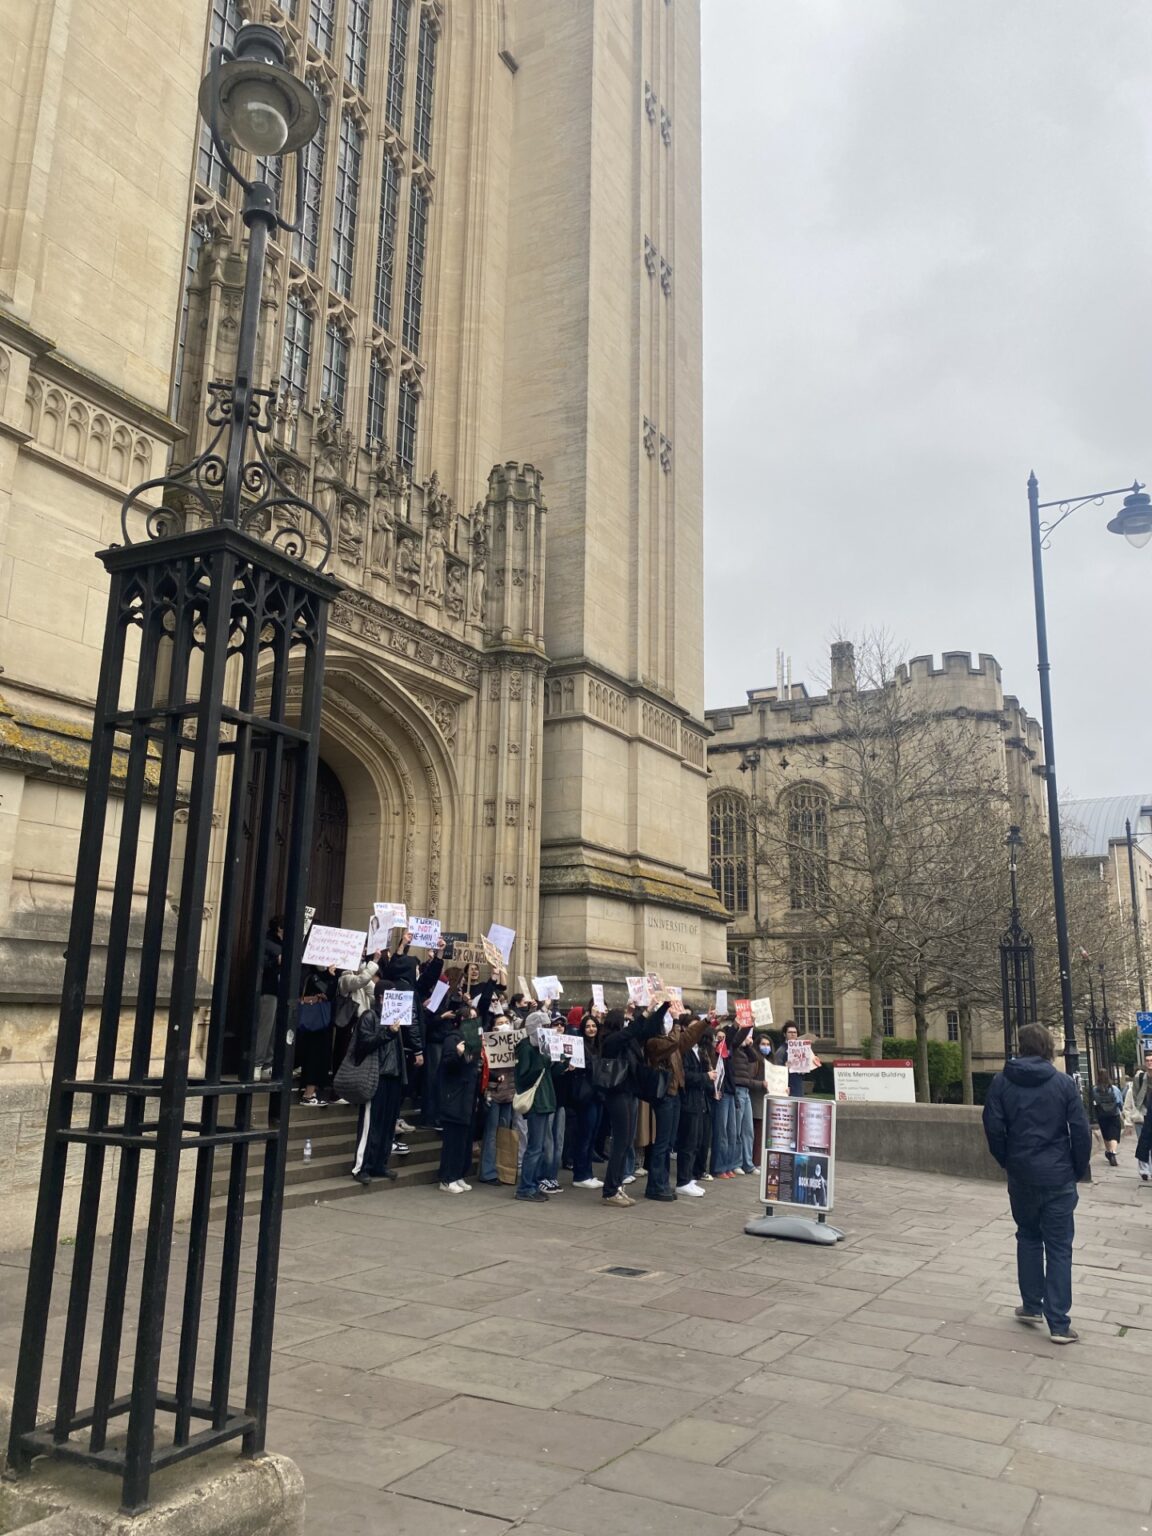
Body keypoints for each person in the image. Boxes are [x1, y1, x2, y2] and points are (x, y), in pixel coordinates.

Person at [982, 1022, 1092, 1344]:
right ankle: (1059, 1323)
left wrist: (1008, 1161)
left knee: (1028, 1236)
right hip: (1058, 1175)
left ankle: (1031, 1306)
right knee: (1059, 1247)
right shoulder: (1064, 1084)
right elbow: (1081, 1131)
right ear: (1048, 1048)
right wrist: (1076, 1168)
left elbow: (992, 1127)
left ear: (1020, 1046)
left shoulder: (1002, 1082)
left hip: (1022, 1174)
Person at [349, 956, 425, 1185]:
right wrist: (388, 1033)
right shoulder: (369, 1017)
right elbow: (364, 1044)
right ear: (382, 998)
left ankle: (380, 1163)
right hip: (376, 1075)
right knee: (370, 1123)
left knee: (387, 1122)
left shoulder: (397, 1019)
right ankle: (361, 1166)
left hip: (393, 1075)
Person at [643, 1003, 711, 1202]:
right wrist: (675, 1020)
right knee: (662, 1143)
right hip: (664, 1094)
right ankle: (655, 1185)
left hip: (674, 1093)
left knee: (668, 1141)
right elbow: (675, 1041)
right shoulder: (654, 1042)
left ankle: (662, 1182)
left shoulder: (671, 1040)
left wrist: (706, 1022)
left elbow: (686, 1038)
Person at [513, 1009, 557, 1201]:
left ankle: (532, 1183)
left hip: (545, 1100)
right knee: (535, 1147)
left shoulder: (541, 1047)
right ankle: (525, 1188)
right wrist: (542, 1061)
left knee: (539, 1147)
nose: (548, 1030)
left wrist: (562, 1063)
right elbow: (523, 1078)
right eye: (544, 1026)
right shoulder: (526, 1047)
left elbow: (549, 1073)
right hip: (536, 1102)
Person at [438, 1006, 482, 1192]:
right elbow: (447, 1064)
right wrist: (456, 1054)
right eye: (469, 1018)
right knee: (453, 1141)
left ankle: (459, 1174)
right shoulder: (452, 1038)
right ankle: (447, 1178)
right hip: (455, 1097)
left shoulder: (472, 1041)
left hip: (468, 1098)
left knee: (464, 1141)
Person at [478, 1009, 517, 1184]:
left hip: (509, 1094)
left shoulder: (515, 1044)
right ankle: (488, 1172)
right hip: (493, 1093)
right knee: (492, 1134)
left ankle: (502, 1169)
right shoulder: (487, 1045)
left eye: (505, 1023)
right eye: (499, 1023)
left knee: (504, 1133)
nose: (503, 1026)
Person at [569, 1011, 603, 1189]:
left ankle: (588, 1172)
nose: (591, 1029)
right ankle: (580, 1174)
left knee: (592, 1135)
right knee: (585, 1135)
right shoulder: (579, 1045)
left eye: (594, 1026)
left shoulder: (598, 1045)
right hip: (585, 1095)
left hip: (597, 1094)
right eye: (588, 1026)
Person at [297, 962, 338, 1107]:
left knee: (317, 1055)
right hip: (315, 1020)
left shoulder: (311, 972)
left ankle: (311, 1092)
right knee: (314, 1055)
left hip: (319, 1019)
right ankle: (308, 1094)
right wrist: (329, 976)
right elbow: (327, 991)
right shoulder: (310, 973)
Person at [726, 1018, 762, 1177]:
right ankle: (736, 1162)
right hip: (738, 1088)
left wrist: (748, 1045)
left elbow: (755, 1058)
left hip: (745, 1090)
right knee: (737, 1129)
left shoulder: (744, 1048)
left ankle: (748, 1163)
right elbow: (735, 1039)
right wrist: (748, 1025)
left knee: (748, 1130)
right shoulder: (733, 1045)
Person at [254, 915, 284, 1078]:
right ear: (279, 928)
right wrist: (276, 961)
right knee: (265, 1027)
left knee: (275, 1029)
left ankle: (268, 1063)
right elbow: (259, 963)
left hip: (282, 991)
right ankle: (256, 1063)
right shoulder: (266, 942)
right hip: (269, 989)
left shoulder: (288, 944)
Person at [773, 1020, 821, 1098]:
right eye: (790, 1032)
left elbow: (807, 1070)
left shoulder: (801, 1048)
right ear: (784, 1034)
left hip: (798, 1086)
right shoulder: (781, 1050)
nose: (792, 1034)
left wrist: (813, 1062)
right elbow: (775, 1070)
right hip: (786, 1088)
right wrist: (785, 1067)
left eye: (794, 1032)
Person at [1124, 1051, 1152, 1181]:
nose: (1149, 1063)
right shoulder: (1140, 1079)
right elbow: (1132, 1099)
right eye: (1147, 1060)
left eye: (1151, 1060)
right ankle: (1144, 1169)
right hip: (1142, 1115)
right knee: (1143, 1142)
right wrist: (1129, 1121)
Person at [1090, 1074, 1124, 1167]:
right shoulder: (1114, 1089)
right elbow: (1119, 1101)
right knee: (1114, 1134)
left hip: (1102, 1115)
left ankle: (1108, 1151)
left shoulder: (1095, 1090)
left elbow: (1094, 1102)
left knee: (1106, 1134)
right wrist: (1121, 1111)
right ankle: (1113, 1152)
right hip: (1114, 1114)